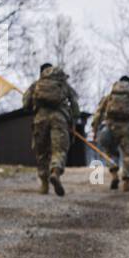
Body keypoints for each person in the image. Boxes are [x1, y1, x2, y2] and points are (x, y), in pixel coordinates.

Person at [22, 63, 80, 196]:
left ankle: (44, 185)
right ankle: (55, 172)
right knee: (58, 150)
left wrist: (34, 105)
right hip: (59, 119)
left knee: (41, 152)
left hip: (40, 120)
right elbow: (75, 106)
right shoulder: (62, 84)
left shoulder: (36, 85)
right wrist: (73, 120)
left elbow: (25, 104)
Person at [91, 76, 129, 192]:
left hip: (111, 127)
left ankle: (114, 175)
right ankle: (126, 182)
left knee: (110, 152)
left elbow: (98, 113)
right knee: (128, 155)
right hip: (128, 128)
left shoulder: (109, 98)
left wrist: (95, 129)